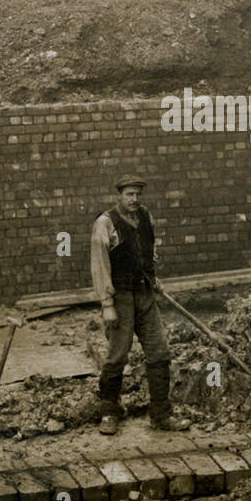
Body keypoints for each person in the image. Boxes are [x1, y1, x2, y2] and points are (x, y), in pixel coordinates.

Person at [88, 175, 191, 435]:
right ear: (119, 195)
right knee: (117, 355)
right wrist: (107, 303)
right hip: (120, 297)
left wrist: (154, 278)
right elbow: (100, 265)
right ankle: (109, 412)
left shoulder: (146, 217)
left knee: (159, 352)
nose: (134, 199)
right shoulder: (105, 223)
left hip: (145, 295)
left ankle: (161, 415)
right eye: (129, 195)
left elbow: (148, 252)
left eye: (137, 194)